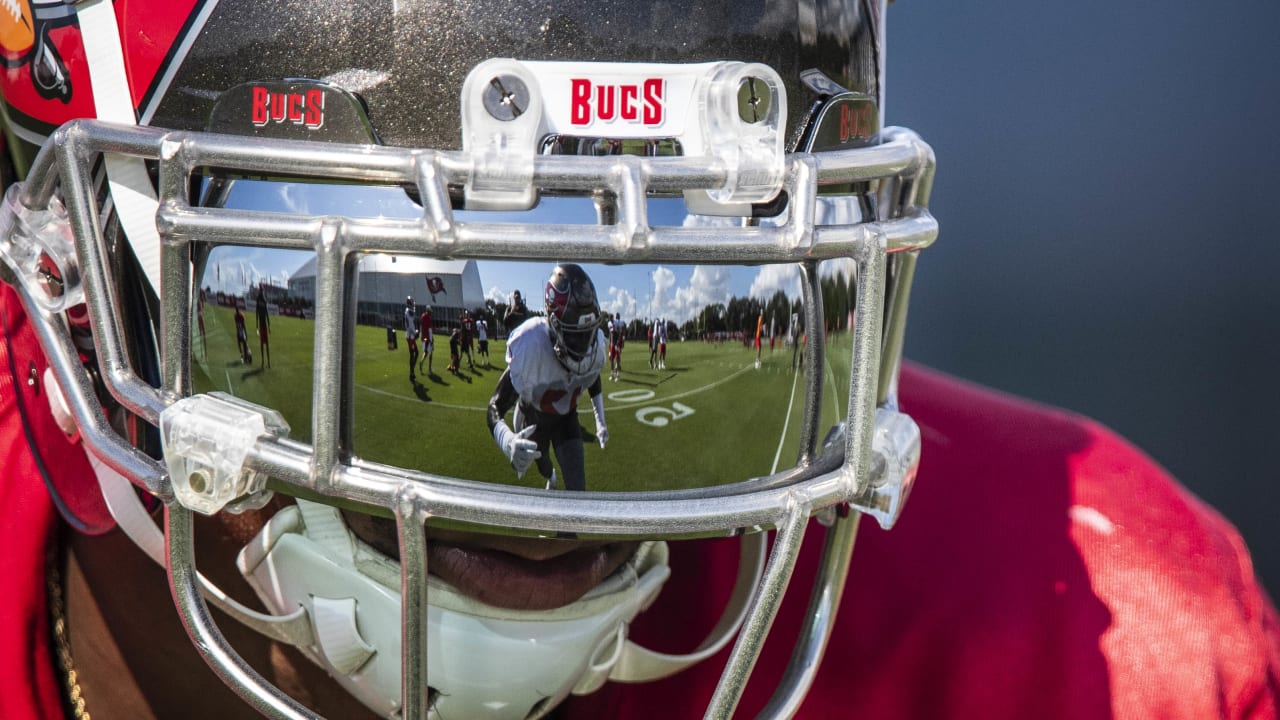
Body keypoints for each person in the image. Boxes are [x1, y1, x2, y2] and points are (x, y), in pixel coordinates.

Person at [0, 2, 1276, 720]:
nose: (559, 529)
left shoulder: (1074, 646)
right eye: (385, 247)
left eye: (726, 254)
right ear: (78, 272)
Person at [487, 264, 609, 492]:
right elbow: (495, 406)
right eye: (575, 334)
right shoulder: (531, 345)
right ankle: (550, 476)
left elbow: (592, 377)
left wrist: (600, 421)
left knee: (578, 488)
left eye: (588, 333)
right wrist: (507, 441)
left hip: (566, 419)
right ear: (553, 323)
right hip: (534, 419)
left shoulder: (597, 350)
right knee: (543, 465)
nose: (584, 345)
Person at [255, 286, 271, 368]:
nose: (261, 291)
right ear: (260, 290)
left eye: (262, 290)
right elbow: (257, 313)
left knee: (267, 345)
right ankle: (263, 361)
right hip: (261, 326)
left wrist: (269, 326)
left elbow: (267, 313)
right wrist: (256, 326)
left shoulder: (264, 300)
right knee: (262, 345)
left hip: (265, 326)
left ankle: (268, 362)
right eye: (261, 290)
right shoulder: (258, 299)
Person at [418, 305, 434, 376]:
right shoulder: (428, 318)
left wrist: (421, 336)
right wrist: (431, 339)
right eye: (430, 311)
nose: (431, 313)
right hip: (428, 337)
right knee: (430, 353)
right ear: (428, 311)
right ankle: (429, 369)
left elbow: (421, 327)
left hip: (424, 337)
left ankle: (422, 362)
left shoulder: (422, 316)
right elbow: (429, 330)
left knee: (425, 352)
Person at [608, 312, 625, 381]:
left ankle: (617, 375)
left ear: (613, 318)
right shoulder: (609, 324)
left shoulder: (616, 324)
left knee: (617, 359)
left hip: (616, 344)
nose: (611, 320)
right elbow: (610, 334)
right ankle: (612, 374)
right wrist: (610, 344)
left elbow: (620, 333)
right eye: (610, 318)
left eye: (611, 318)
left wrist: (618, 341)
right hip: (612, 344)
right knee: (611, 359)